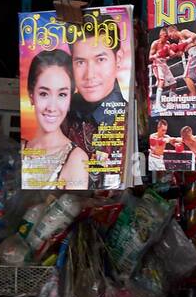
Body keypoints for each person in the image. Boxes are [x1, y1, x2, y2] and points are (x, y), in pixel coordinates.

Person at [66, 21, 131, 188]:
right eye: (80, 62)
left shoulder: (131, 121)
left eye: (100, 59)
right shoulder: (61, 114)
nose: (90, 75)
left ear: (118, 59)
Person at [22, 50, 84, 188]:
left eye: (62, 94)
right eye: (44, 93)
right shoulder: (19, 149)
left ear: (70, 99)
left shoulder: (76, 159)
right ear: (31, 95)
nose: (52, 107)